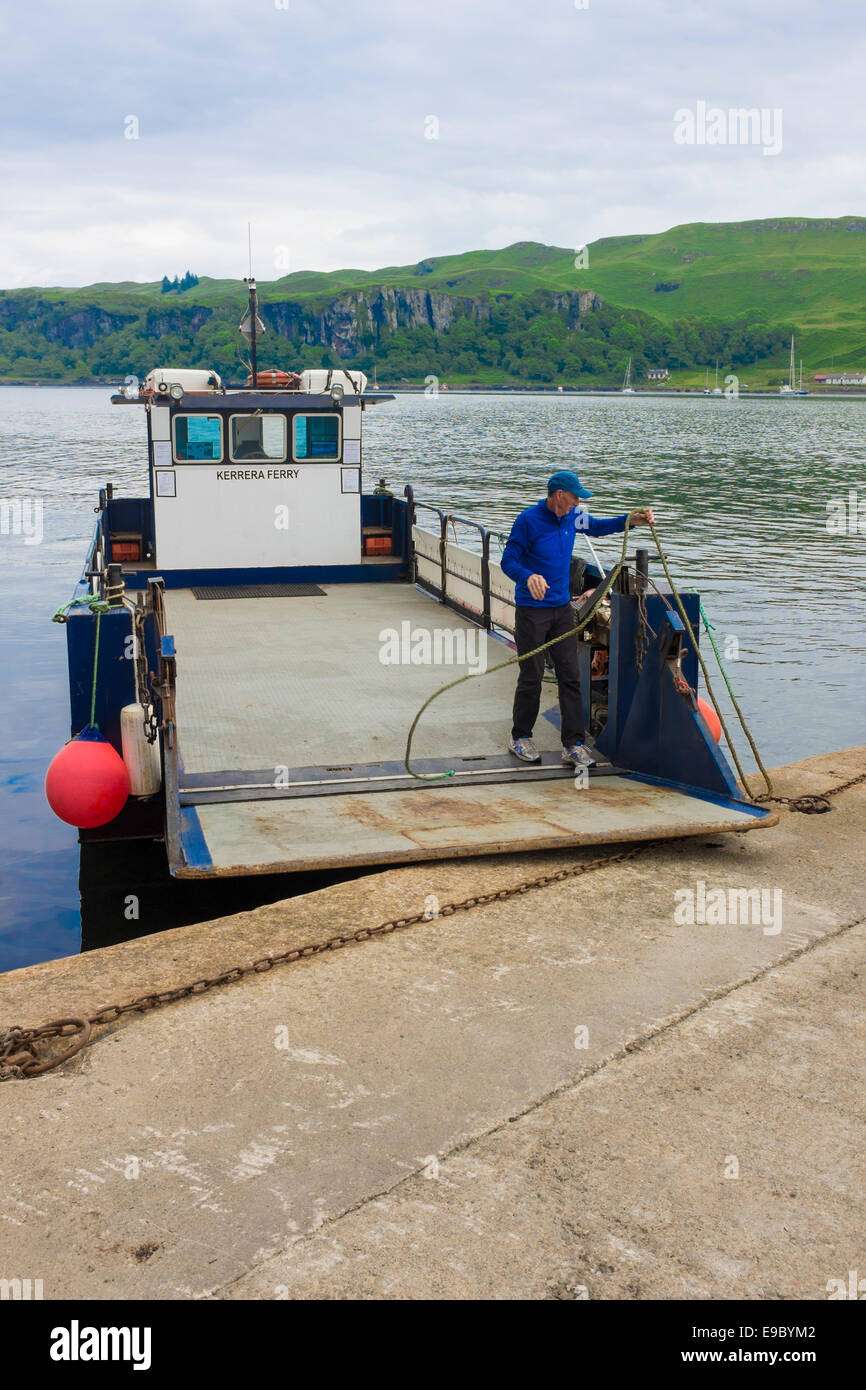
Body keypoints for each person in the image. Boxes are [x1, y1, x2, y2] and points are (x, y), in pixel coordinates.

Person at [500, 470, 654, 768]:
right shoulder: (528, 521)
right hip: (531, 610)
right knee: (531, 676)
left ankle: (573, 744)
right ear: (559, 495)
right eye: (574, 497)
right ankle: (519, 737)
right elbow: (509, 560)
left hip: (561, 610)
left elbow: (598, 527)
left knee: (570, 676)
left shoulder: (573, 518)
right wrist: (527, 576)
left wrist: (630, 520)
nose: (576, 503)